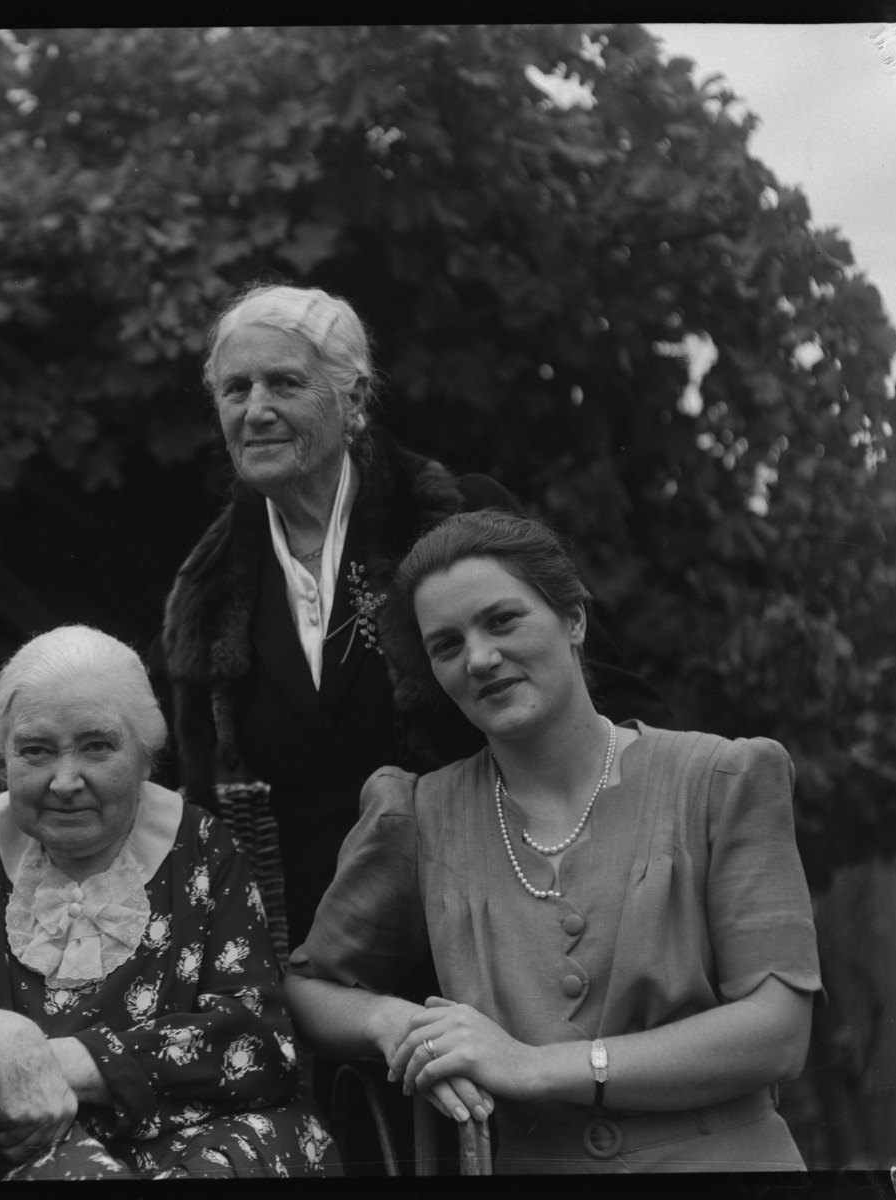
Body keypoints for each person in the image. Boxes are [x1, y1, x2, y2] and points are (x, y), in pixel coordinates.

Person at [284, 510, 822, 1172]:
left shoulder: (721, 781)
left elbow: (776, 1033)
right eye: (447, 645)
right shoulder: (421, 817)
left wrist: (533, 1067)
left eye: (502, 620)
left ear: (574, 619)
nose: (479, 659)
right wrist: (400, 1027)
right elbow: (310, 989)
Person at [161, 282, 673, 951]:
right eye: (235, 389)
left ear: (353, 398)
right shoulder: (204, 592)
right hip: (321, 964)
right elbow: (194, 801)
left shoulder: (459, 519)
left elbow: (609, 704)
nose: (256, 410)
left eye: (285, 383)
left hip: (500, 931)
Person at [0, 625, 337, 1180]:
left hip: (204, 1135)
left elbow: (258, 1037)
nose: (65, 781)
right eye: (36, 751)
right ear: (1, 761)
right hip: (32, 1147)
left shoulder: (202, 844)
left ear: (143, 756)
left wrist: (72, 1062)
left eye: (97, 746)